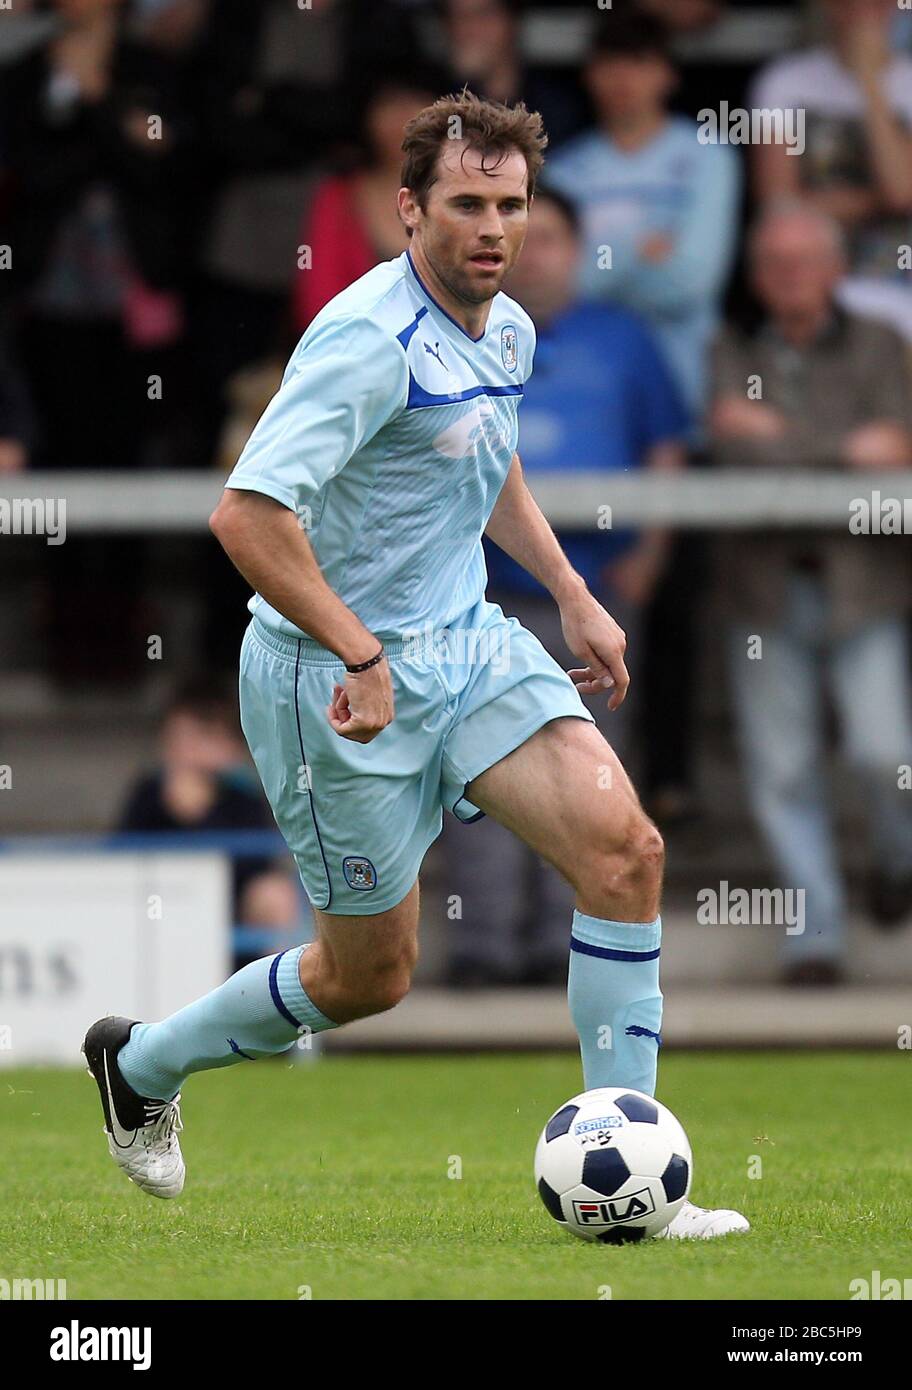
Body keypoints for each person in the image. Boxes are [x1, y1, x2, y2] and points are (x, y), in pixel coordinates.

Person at [83, 91, 748, 1239]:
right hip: (330, 681)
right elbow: (245, 517)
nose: (495, 228)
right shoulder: (363, 339)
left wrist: (575, 594)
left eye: (514, 205)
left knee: (626, 851)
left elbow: (483, 464)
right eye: (467, 204)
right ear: (408, 210)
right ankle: (141, 1064)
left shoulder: (511, 325)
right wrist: (358, 645)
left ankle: (631, 1177)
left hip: (469, 642)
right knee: (369, 977)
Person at [443, 185, 689, 986]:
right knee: (479, 774)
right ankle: (483, 946)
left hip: (598, 597)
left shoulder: (624, 339)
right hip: (480, 600)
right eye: (521, 233)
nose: (531, 249)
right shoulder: (460, 334)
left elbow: (667, 449)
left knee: (592, 776)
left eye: (547, 236)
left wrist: (649, 555)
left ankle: (567, 942)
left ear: (577, 252)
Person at [711, 202, 912, 984]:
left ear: (837, 268)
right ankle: (814, 936)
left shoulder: (880, 344)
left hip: (862, 581)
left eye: (803, 261)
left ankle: (897, 862)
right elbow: (728, 445)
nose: (787, 276)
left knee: (885, 749)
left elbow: (896, 446)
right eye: (772, 263)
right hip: (763, 588)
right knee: (781, 768)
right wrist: (839, 449)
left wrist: (783, 438)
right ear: (755, 275)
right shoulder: (731, 345)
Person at [545, 7, 741, 418]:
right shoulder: (562, 171)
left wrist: (600, 260)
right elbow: (553, 290)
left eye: (638, 62)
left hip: (687, 379)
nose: (622, 79)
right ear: (588, 75)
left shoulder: (709, 157)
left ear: (668, 74)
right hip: (593, 381)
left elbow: (692, 280)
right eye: (608, 64)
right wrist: (639, 249)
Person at [751, 0, 912, 342]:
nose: (861, 9)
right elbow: (777, 203)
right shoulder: (783, 83)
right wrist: (877, 200)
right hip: (813, 286)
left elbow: (901, 191)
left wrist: (870, 82)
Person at [117, 679, 301, 970]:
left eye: (202, 738)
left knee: (275, 894)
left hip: (228, 916)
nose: (189, 751)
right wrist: (177, 811)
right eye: (179, 740)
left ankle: (276, 995)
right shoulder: (148, 793)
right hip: (159, 912)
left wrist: (202, 817)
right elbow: (119, 861)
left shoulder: (243, 796)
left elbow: (257, 866)